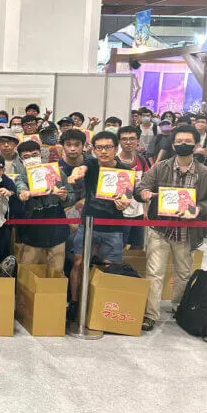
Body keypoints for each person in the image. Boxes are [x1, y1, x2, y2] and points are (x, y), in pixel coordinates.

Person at [134, 125, 207, 331]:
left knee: (183, 273)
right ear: (173, 145)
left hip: (187, 231)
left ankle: (179, 308)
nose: (183, 145)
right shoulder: (161, 167)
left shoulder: (204, 172)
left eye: (188, 142)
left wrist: (199, 209)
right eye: (179, 141)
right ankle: (151, 314)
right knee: (154, 272)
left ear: (196, 144)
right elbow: (141, 187)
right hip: (160, 229)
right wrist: (144, 194)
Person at [67, 131, 132, 320]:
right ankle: (75, 303)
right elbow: (81, 169)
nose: (103, 151)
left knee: (111, 267)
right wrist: (76, 173)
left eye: (108, 147)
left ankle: (105, 306)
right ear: (94, 150)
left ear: (116, 149)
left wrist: (124, 203)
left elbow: (128, 197)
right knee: (78, 262)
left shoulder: (125, 171)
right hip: (88, 224)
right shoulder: (91, 163)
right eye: (99, 148)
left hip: (113, 227)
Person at [14, 140, 73, 272]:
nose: (31, 159)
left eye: (34, 155)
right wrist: (26, 194)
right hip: (32, 234)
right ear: (21, 160)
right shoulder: (21, 178)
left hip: (57, 232)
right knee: (27, 272)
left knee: (56, 272)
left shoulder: (57, 173)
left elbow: (71, 196)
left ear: (41, 155)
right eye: (26, 157)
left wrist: (65, 197)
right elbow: (21, 192)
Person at [117, 125, 150, 249]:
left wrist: (146, 210)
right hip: (119, 213)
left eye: (132, 139)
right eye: (124, 139)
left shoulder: (142, 160)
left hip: (138, 212)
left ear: (138, 141)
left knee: (137, 248)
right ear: (119, 141)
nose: (128, 142)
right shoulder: (113, 162)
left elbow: (147, 186)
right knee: (118, 248)